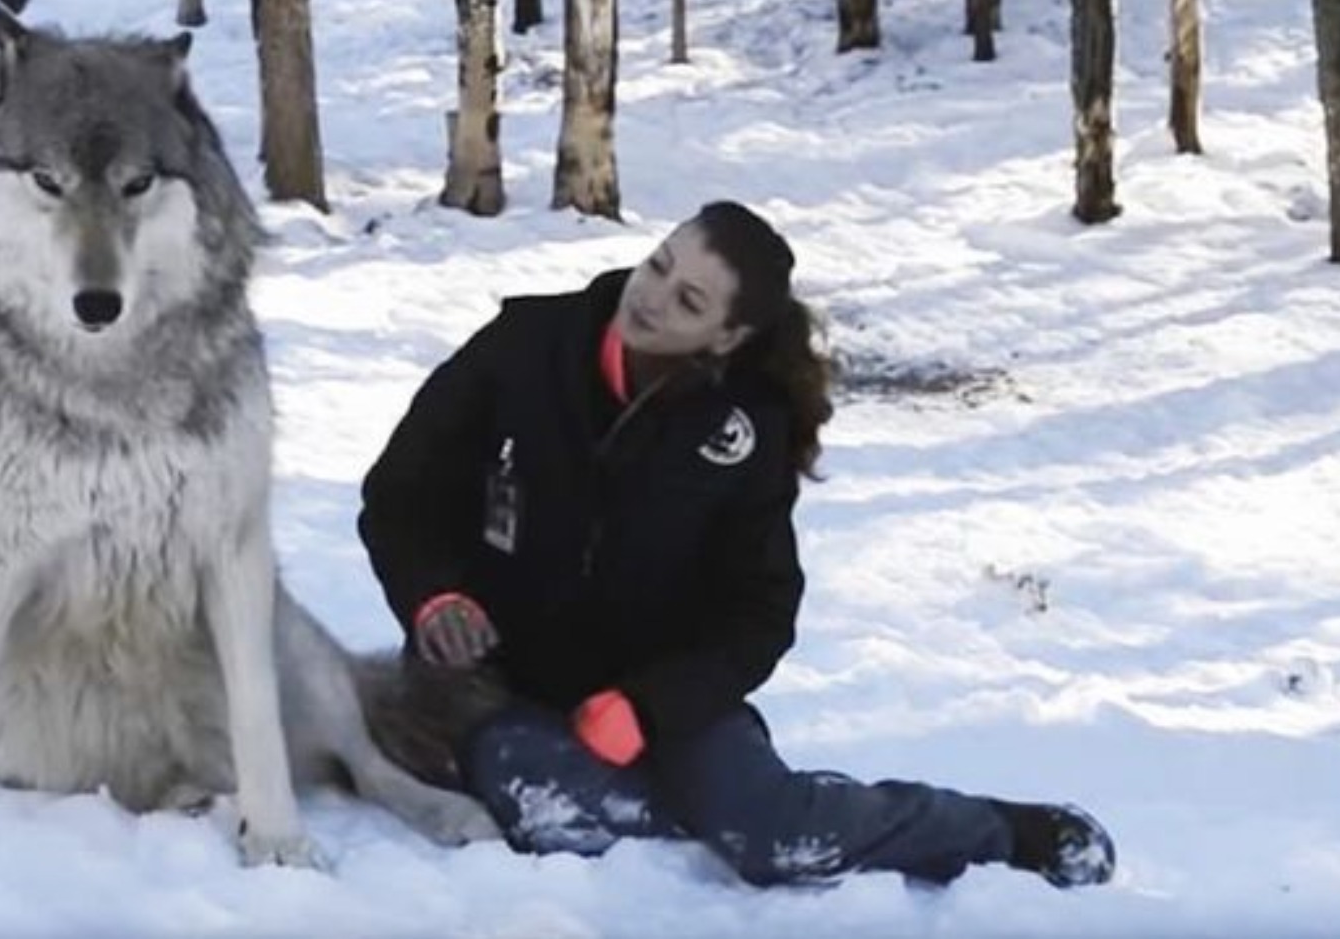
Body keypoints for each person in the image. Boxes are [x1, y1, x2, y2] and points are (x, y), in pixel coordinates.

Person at [356, 200, 1115, 889]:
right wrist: (435, 595)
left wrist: (650, 708)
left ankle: (1001, 831)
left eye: (688, 300)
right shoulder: (524, 347)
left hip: (664, 693)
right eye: (658, 264)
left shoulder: (744, 430)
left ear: (726, 336)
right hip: (497, 686)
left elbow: (759, 612)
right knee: (556, 816)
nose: (651, 296)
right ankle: (718, 818)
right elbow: (400, 495)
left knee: (774, 835)